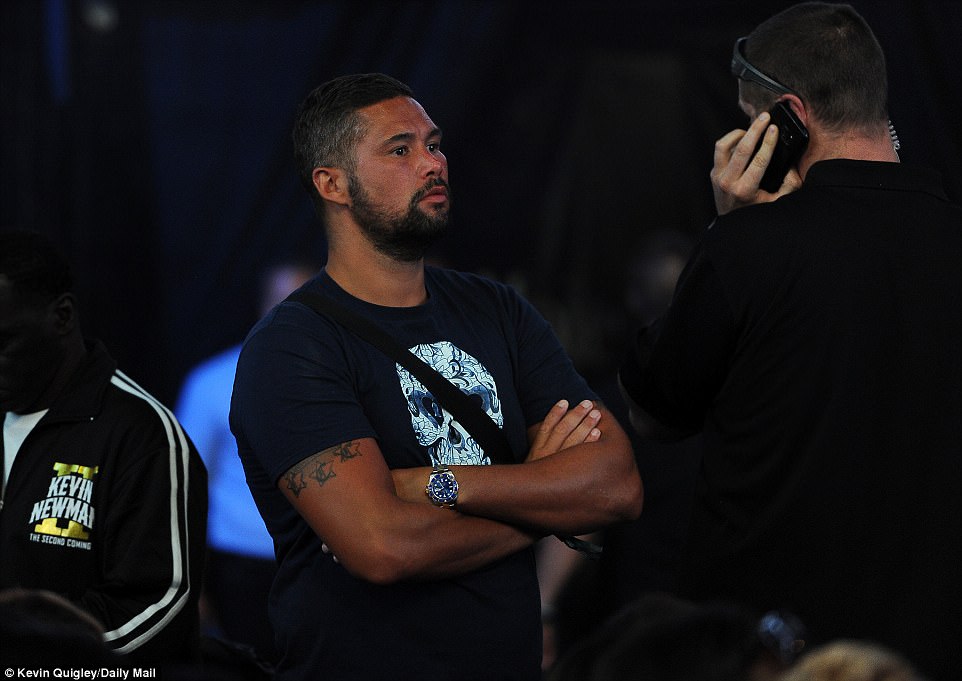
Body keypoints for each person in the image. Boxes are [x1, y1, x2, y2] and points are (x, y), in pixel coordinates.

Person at [229, 73, 643, 681]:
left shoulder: (498, 309)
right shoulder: (293, 347)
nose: (434, 162)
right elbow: (383, 549)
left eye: (434, 143)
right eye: (401, 149)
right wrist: (542, 495)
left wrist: (433, 486)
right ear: (332, 183)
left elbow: (616, 485)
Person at [618, 3, 961, 680]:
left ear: (789, 118)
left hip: (774, 647)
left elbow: (652, 409)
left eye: (752, 121)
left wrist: (727, 231)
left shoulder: (750, 248)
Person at [0, 230, 208, 666]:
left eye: (4, 341)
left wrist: (25, 663)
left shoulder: (141, 433)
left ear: (62, 316)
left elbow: (156, 609)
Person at [175, 260, 315, 661]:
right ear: (262, 306)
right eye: (283, 303)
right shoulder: (212, 381)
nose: (294, 315)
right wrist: (190, 588)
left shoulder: (340, 379)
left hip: (321, 563)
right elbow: (184, 488)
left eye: (305, 302)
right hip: (239, 569)